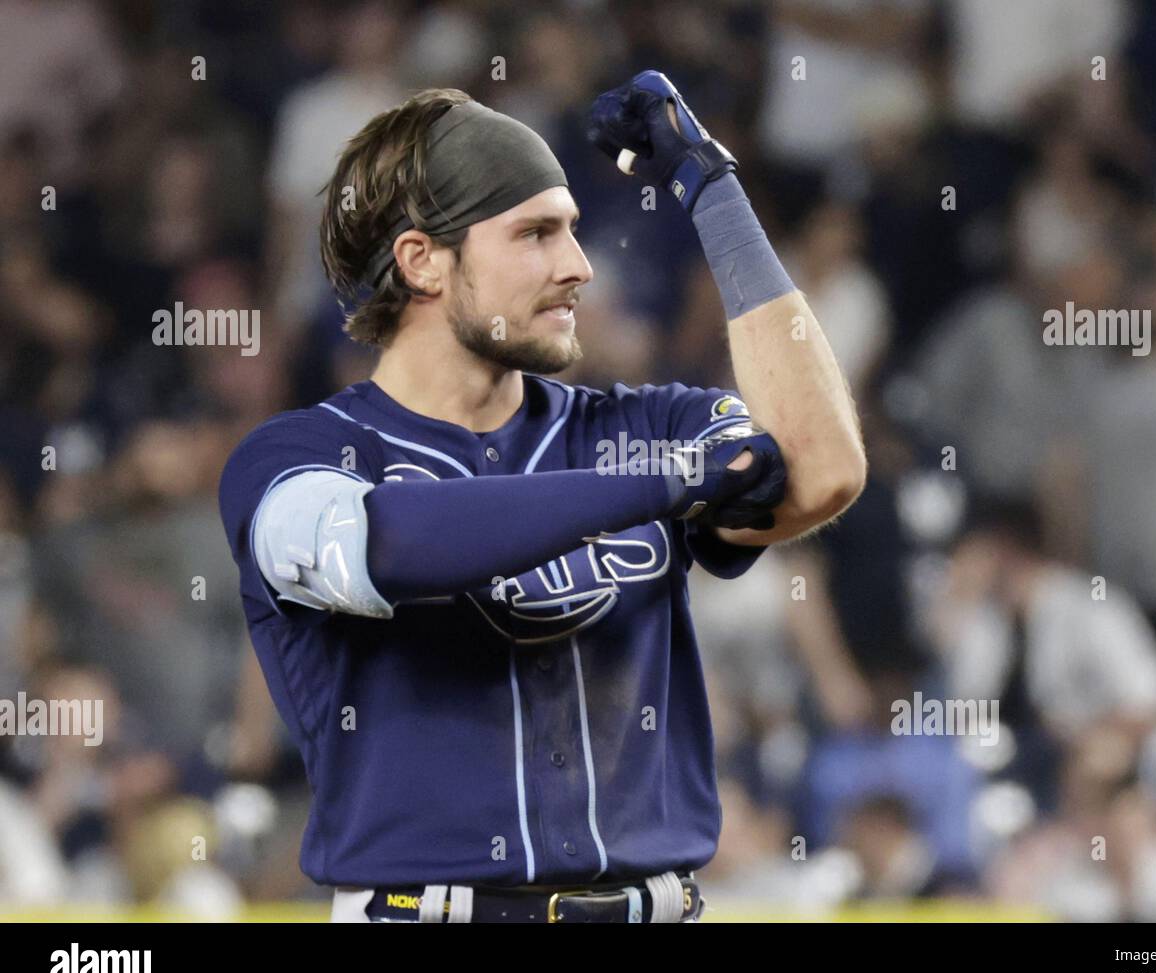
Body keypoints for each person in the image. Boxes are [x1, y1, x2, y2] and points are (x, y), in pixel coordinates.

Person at [218, 73, 865, 923]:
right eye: (535, 234)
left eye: (573, 231)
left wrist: (711, 187)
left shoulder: (644, 420)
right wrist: (662, 481)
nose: (578, 267)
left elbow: (823, 471)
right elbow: (385, 546)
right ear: (422, 262)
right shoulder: (295, 457)